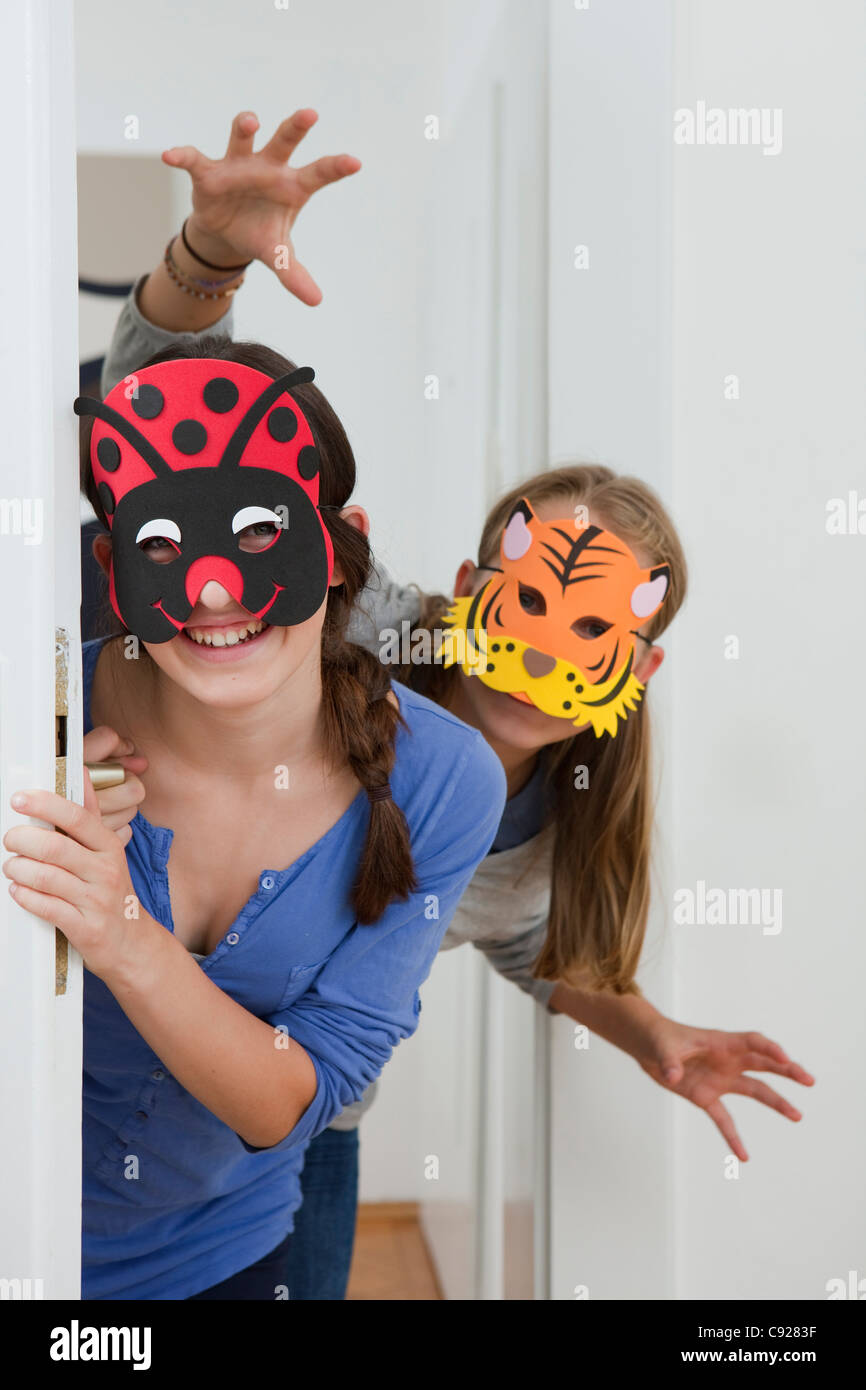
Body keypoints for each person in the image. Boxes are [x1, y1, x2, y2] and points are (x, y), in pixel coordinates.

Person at [91, 109, 815, 1301]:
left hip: (297, 1128)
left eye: (591, 630)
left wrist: (655, 1038)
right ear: (472, 588)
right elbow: (184, 452)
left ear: (636, 673)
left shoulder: (551, 819)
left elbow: (534, 949)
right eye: (524, 600)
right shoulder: (353, 623)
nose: (543, 645)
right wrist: (209, 257)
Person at [1, 211, 506, 1299]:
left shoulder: (441, 779)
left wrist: (118, 928)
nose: (216, 591)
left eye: (260, 536)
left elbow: (297, 1095)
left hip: (221, 1261)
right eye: (163, 548)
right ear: (111, 560)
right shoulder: (30, 719)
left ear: (336, 546)